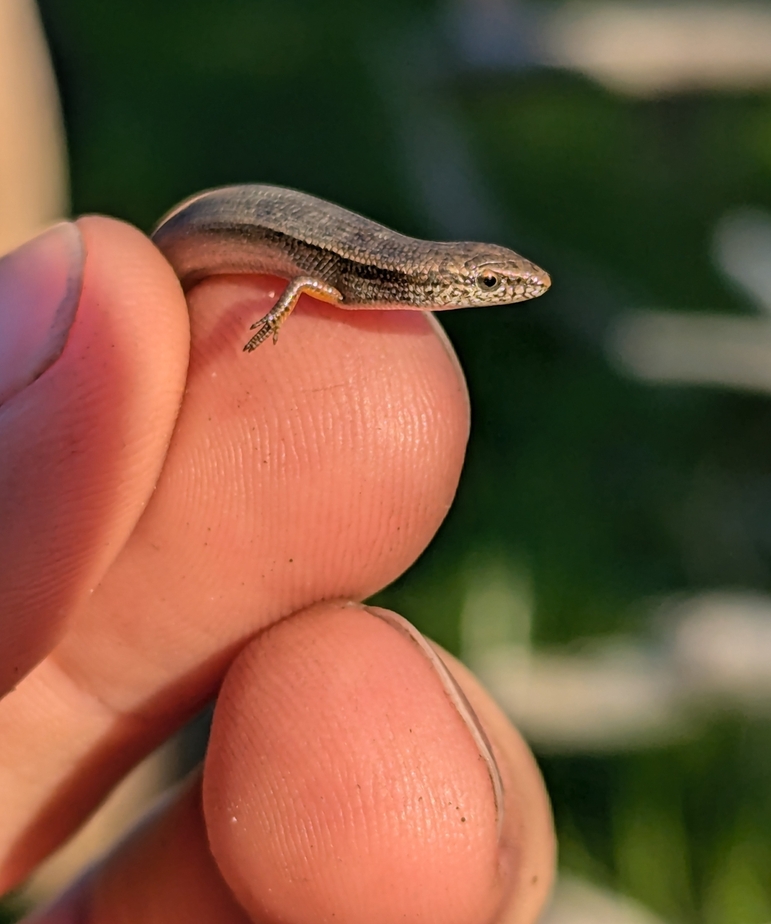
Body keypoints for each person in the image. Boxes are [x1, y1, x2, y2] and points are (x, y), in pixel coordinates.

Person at [0, 216, 554, 923]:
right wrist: (267, 322)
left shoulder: (381, 285)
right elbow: (306, 278)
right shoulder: (357, 283)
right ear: (443, 280)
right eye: (486, 285)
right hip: (207, 236)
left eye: (491, 285)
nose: (500, 291)